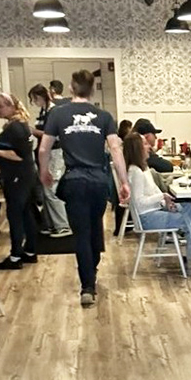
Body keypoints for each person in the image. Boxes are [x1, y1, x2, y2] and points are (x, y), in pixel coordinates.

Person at [39, 69, 130, 306]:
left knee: (81, 234)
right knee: (94, 226)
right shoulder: (104, 116)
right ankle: (93, 268)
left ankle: (87, 286)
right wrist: (124, 182)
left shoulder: (57, 114)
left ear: (71, 87)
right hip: (99, 182)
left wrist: (44, 171)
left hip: (75, 180)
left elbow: (43, 148)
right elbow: (116, 149)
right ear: (92, 90)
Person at [123, 133, 191, 278]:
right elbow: (140, 202)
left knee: (190, 208)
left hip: (155, 209)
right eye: (145, 144)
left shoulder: (144, 168)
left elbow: (153, 193)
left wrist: (165, 202)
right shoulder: (135, 172)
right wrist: (162, 197)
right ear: (137, 148)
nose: (149, 147)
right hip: (147, 217)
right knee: (187, 220)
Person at [0, 93, 38, 270]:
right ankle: (30, 251)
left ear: (11, 107)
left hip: (17, 176)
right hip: (26, 174)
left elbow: (18, 155)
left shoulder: (15, 128)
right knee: (26, 213)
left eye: (0, 106)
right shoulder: (21, 125)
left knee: (16, 215)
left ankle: (16, 255)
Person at [28, 83, 71, 237]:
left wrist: (33, 131)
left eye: (35, 99)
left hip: (55, 153)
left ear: (40, 97)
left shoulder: (53, 112)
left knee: (51, 189)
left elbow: (53, 135)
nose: (34, 102)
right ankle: (51, 223)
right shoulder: (45, 111)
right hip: (48, 153)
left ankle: (62, 224)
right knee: (46, 189)